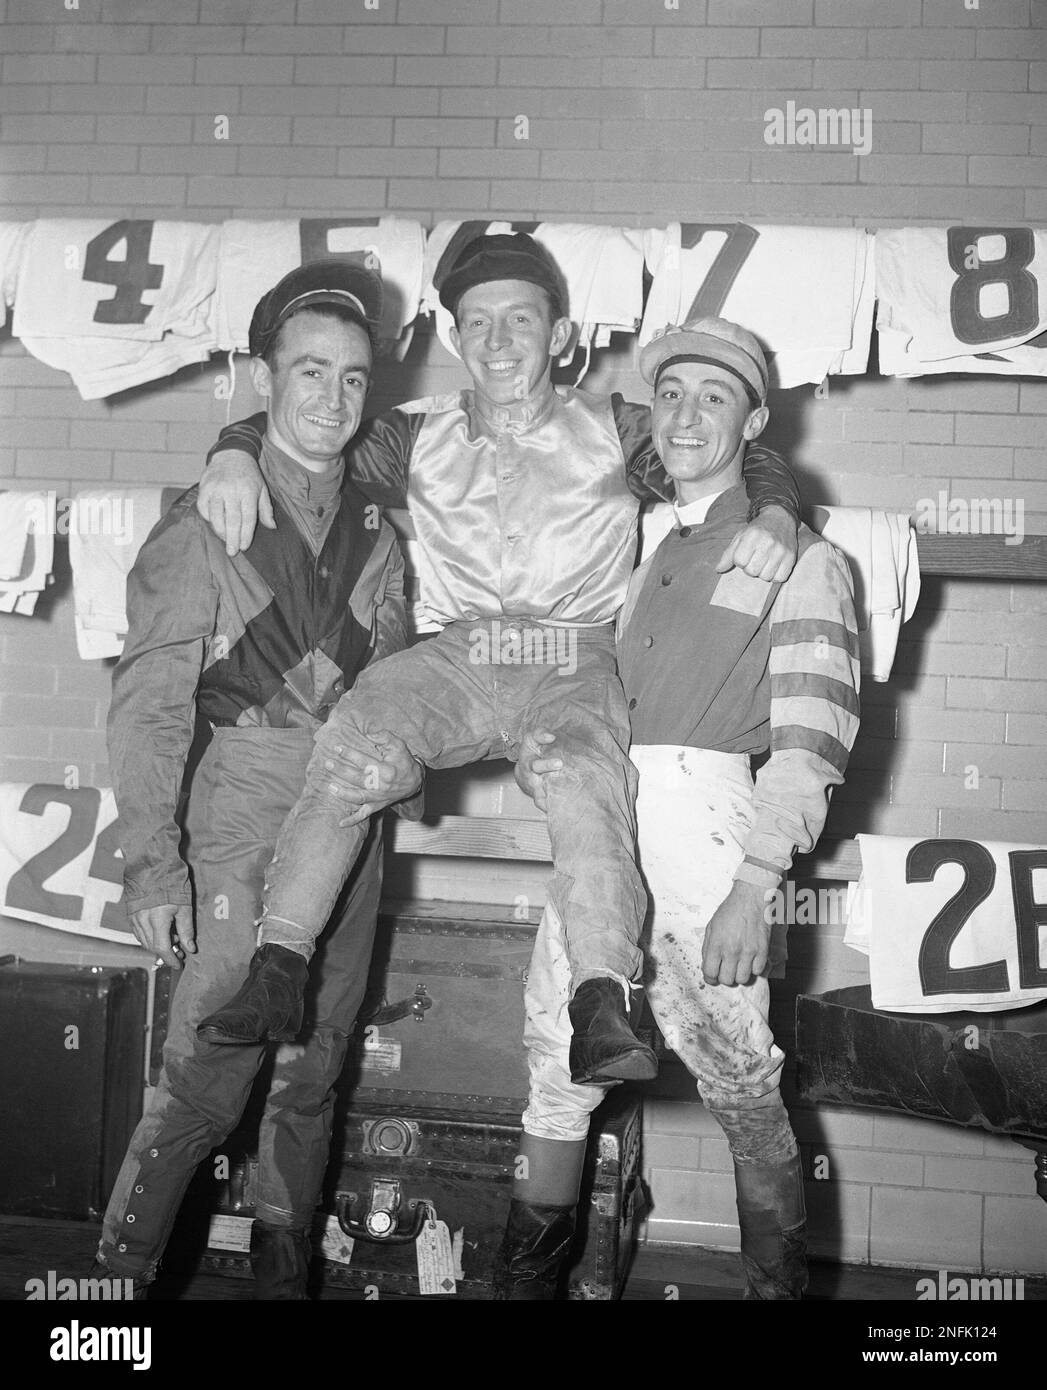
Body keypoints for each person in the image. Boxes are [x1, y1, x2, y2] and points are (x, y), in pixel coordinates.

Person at [192, 233, 803, 1087]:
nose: (499, 339)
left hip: (570, 653)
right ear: (453, 336)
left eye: (521, 319)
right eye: (477, 321)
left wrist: (775, 510)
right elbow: (306, 436)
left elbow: (728, 450)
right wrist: (231, 444)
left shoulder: (615, 426)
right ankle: (279, 968)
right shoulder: (412, 435)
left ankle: (603, 999)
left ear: (559, 335)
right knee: (355, 736)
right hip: (456, 653)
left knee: (586, 777)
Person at [503, 316, 861, 1300]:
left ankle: (774, 1291)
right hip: (607, 828)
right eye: (669, 395)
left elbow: (812, 743)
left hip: (713, 832)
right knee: (555, 1069)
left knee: (744, 1084)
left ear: (754, 420)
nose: (687, 414)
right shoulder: (646, 543)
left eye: (714, 396)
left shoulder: (808, 559)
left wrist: (757, 883)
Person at [92, 259, 422, 1301]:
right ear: (265, 380)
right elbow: (147, 704)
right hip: (240, 807)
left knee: (317, 1065)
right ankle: (112, 1302)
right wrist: (153, 865)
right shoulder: (204, 522)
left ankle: (285, 1278)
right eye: (309, 372)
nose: (331, 398)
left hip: (355, 821)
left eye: (354, 379)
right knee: (205, 1072)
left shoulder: (380, 522)